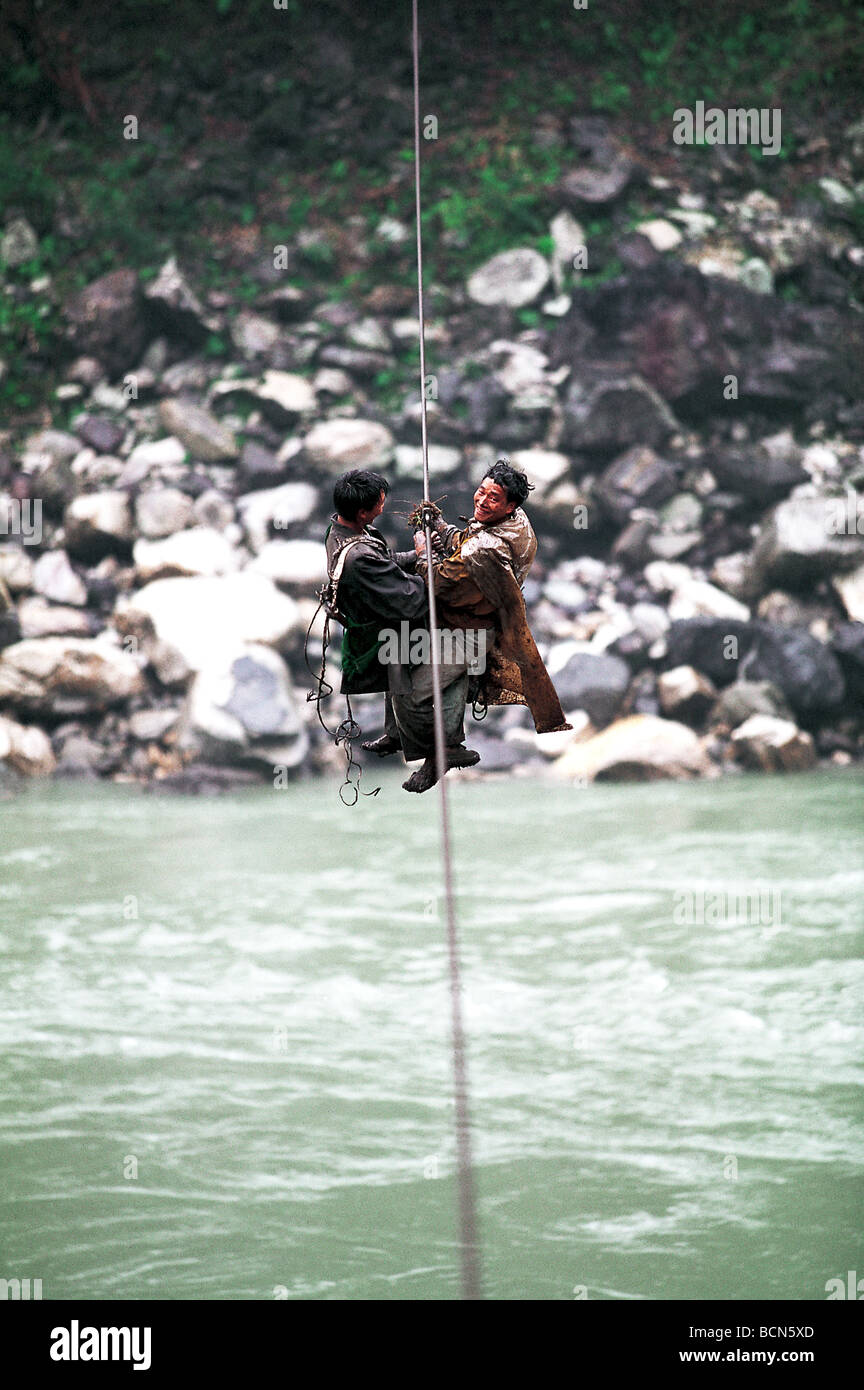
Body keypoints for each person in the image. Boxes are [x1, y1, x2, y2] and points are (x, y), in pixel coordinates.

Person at [408, 460, 571, 792]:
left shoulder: (485, 550)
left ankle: (442, 752)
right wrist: (440, 526)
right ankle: (432, 743)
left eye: (492, 498)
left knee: (416, 685)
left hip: (472, 628)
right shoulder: (517, 522)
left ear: (509, 505)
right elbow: (468, 540)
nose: (481, 501)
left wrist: (425, 554)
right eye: (481, 491)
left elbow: (438, 581)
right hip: (488, 613)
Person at [324, 469, 480, 786]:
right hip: (378, 626)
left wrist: (418, 553)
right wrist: (424, 559)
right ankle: (442, 749)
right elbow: (411, 598)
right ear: (362, 512)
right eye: (380, 503)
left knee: (396, 674)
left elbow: (387, 561)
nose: (384, 506)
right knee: (406, 687)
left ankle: (395, 734)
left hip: (376, 619)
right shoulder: (360, 558)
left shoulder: (343, 530)